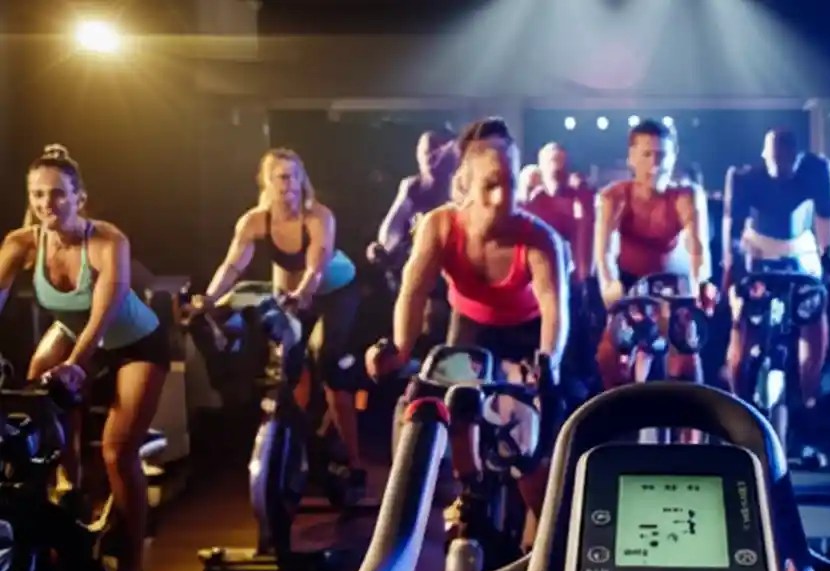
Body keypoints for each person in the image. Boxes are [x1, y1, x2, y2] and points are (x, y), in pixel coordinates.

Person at [367, 117, 568, 519]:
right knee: (456, 405)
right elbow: (413, 292)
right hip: (471, 328)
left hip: (526, 334)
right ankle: (470, 488)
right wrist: (399, 347)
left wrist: (548, 362)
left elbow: (553, 308)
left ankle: (544, 530)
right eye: (491, 185)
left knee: (525, 444)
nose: (502, 198)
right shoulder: (439, 226)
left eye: (511, 184)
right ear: (465, 185)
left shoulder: (540, 238)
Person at [0, 144, 169, 571]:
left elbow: (102, 313)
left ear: (80, 199)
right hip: (73, 333)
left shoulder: (107, 239)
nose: (46, 204)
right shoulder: (22, 243)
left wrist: (77, 365)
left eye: (57, 195)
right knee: (32, 388)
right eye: (37, 195)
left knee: (117, 452)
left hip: (132, 341)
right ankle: (68, 489)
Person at [204, 148, 368, 491]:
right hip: (292, 295)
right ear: (266, 181)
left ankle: (355, 463)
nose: (289, 184)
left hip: (334, 292)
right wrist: (208, 298)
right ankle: (300, 449)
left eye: (295, 176)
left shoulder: (318, 216)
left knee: (329, 365)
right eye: (281, 177)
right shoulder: (254, 221)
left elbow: (316, 265)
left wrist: (302, 293)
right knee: (287, 367)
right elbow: (233, 266)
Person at [722, 128, 830, 455]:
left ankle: (809, 394)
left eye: (788, 159)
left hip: (801, 251)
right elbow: (732, 229)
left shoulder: (817, 169)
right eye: (776, 158)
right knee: (743, 326)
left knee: (814, 312)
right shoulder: (744, 177)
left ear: (798, 158)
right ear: (764, 155)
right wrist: (730, 276)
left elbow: (828, 220)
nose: (782, 165)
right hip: (756, 251)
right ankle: (737, 398)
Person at [594, 119, 714, 388]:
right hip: (628, 281)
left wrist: (701, 285)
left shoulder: (686, 195)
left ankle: (692, 425)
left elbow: (698, 248)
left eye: (662, 155)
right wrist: (610, 288)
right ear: (632, 159)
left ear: (673, 158)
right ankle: (620, 420)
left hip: (674, 284)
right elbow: (603, 253)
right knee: (608, 356)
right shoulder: (613, 197)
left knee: (687, 355)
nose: (655, 164)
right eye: (647, 155)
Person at [524, 143, 598, 388]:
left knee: (577, 346)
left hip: (573, 284)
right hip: (540, 286)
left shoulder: (580, 199)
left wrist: (584, 277)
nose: (557, 168)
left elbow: (586, 238)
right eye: (552, 162)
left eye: (561, 163)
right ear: (542, 167)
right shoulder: (533, 202)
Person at [369, 129, 459, 265]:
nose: (430, 157)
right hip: (419, 262)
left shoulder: (461, 188)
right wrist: (383, 249)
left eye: (435, 150)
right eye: (425, 152)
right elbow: (392, 228)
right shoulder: (412, 187)